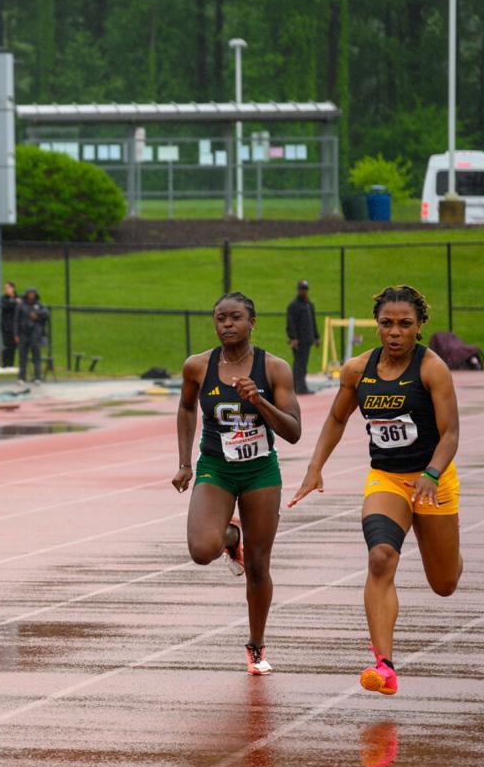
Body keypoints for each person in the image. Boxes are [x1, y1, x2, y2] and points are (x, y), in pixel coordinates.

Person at [289, 286, 462, 697]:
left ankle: (452, 555)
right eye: (387, 324)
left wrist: (432, 474)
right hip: (386, 479)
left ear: (420, 327)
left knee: (445, 583)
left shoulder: (432, 369)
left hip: (432, 479)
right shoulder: (357, 370)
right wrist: (314, 468)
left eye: (405, 324)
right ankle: (384, 665)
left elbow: (451, 432)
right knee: (381, 557)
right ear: (377, 325)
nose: (395, 332)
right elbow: (335, 418)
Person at [172, 291, 302, 675]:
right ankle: (230, 537)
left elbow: (293, 431)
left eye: (235, 318)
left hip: (261, 469)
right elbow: (185, 407)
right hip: (216, 464)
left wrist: (259, 402)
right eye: (220, 319)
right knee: (201, 549)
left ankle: (256, 644)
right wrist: (184, 463)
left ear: (252, 322)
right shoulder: (198, 366)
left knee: (260, 564)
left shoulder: (274, 368)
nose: (227, 325)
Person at [286, 279, 319, 395]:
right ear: (298, 290)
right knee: (299, 364)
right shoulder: (293, 306)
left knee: (303, 364)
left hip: (308, 339)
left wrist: (316, 337)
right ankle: (299, 387)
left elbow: (313, 322)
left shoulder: (309, 305)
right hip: (298, 341)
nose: (303, 291)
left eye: (305, 289)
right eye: (301, 289)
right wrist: (293, 338)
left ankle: (300, 386)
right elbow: (291, 323)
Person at [17, 287, 50, 383]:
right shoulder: (21, 305)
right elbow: (16, 320)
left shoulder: (39, 305)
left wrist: (37, 315)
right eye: (29, 293)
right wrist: (16, 334)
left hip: (35, 334)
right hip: (24, 333)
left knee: (36, 356)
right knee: (22, 356)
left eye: (33, 293)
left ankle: (37, 377)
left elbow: (46, 314)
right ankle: (21, 377)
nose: (31, 295)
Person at [0, 281, 20, 371]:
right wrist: (15, 302)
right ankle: (5, 365)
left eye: (8, 288)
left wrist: (15, 302)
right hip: (6, 326)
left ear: (13, 288)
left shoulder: (18, 298)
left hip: (16, 326)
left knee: (13, 346)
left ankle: (11, 364)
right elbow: (6, 305)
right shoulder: (3, 299)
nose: (6, 290)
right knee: (6, 345)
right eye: (5, 288)